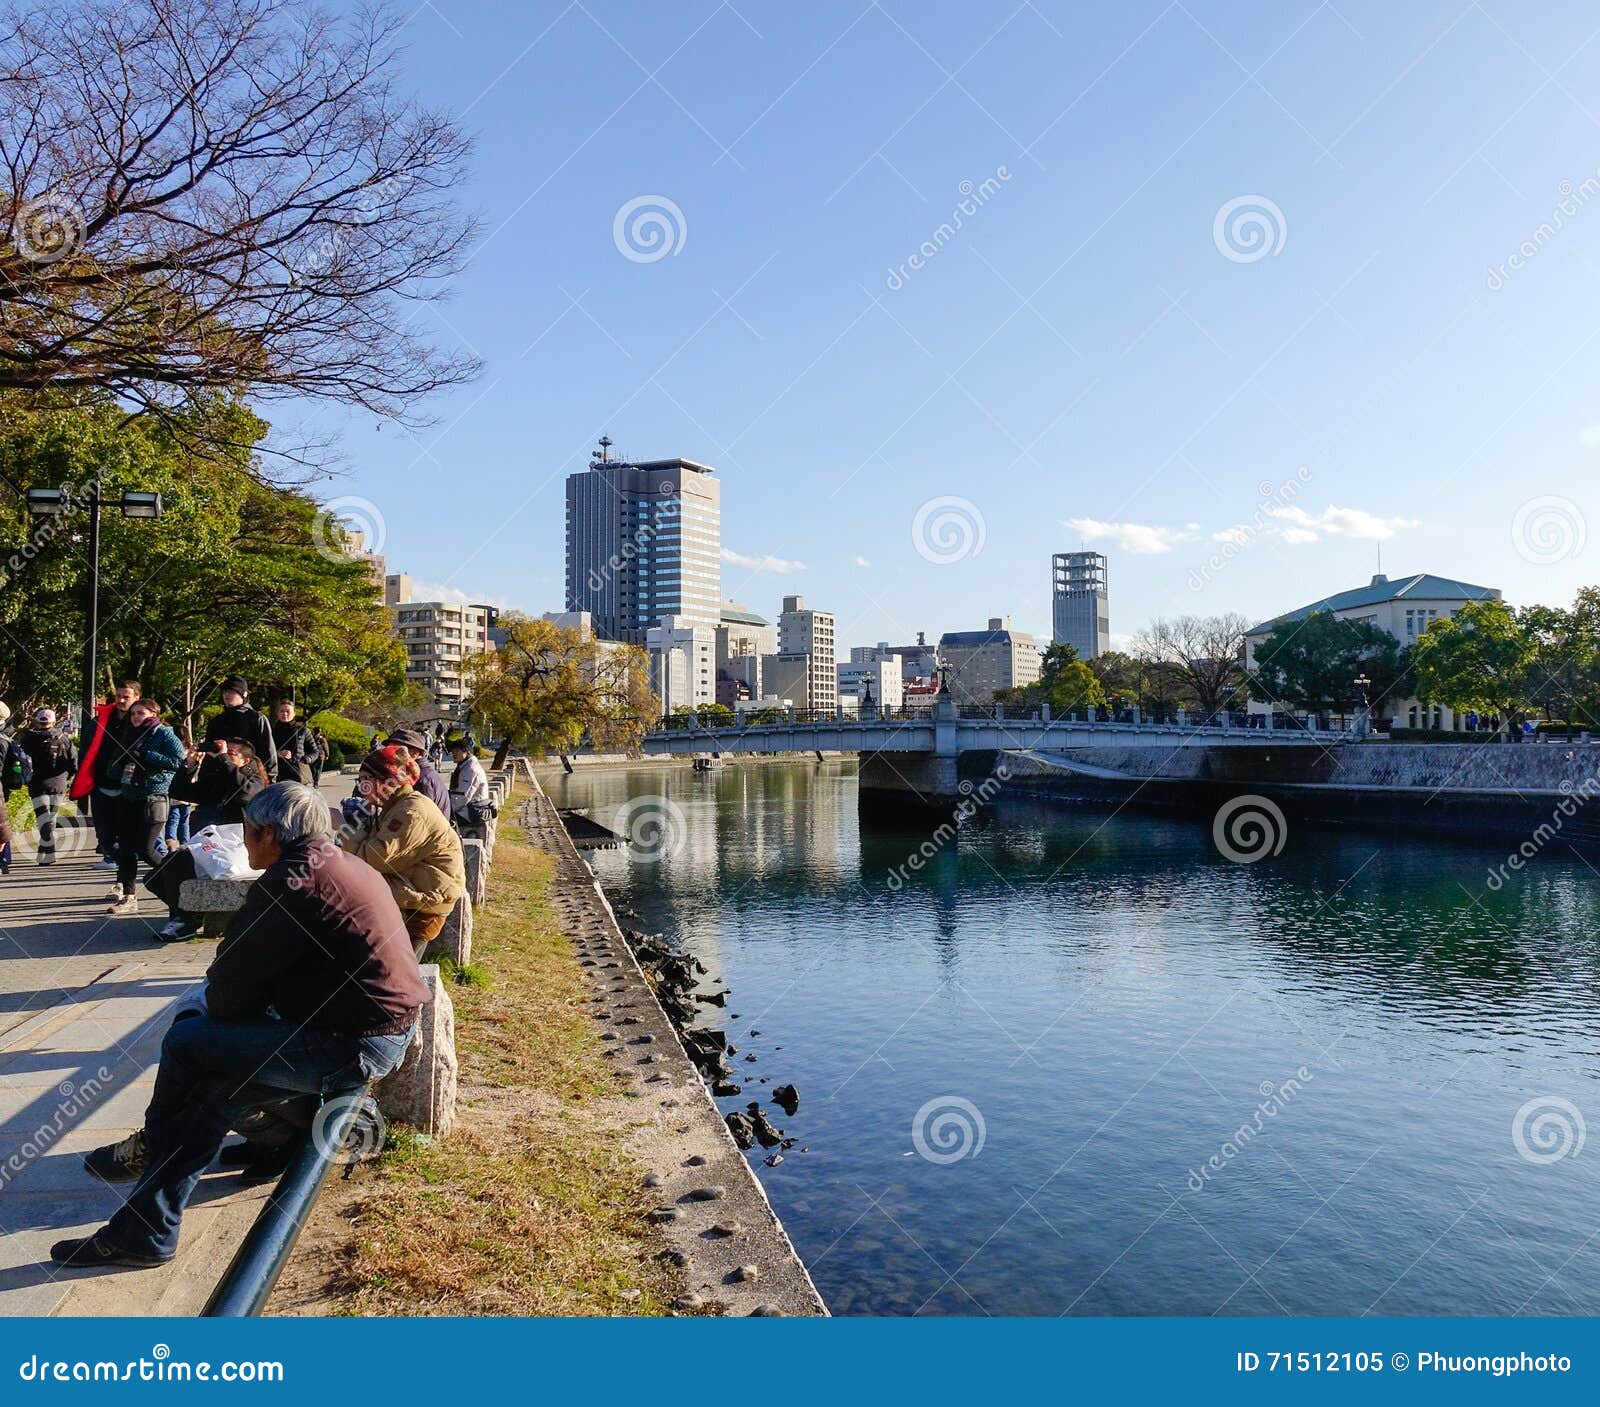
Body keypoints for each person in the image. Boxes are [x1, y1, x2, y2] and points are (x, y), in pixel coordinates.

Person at [56, 784, 425, 1269]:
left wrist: (220, 1015)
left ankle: (152, 1149)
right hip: (376, 1030)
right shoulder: (337, 862)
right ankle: (148, 1230)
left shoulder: (291, 881)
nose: (243, 842)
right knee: (212, 1093)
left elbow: (231, 981)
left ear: (269, 833)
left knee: (188, 1042)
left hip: (353, 1044)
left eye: (246, 831)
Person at [342, 745, 465, 956]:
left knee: (389, 974)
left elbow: (373, 860)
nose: (360, 787)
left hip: (422, 907)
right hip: (414, 892)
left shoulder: (410, 812)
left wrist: (349, 828)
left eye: (364, 780)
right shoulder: (396, 805)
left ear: (384, 781)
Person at [107, 699, 187, 917]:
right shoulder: (129, 735)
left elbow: (178, 760)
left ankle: (178, 879)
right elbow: (112, 765)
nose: (135, 717)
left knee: (145, 847)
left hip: (154, 797)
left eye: (140, 713)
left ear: (154, 713)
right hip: (128, 795)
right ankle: (129, 896)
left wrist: (147, 756)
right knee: (125, 849)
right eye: (133, 713)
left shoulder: (164, 733)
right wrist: (119, 765)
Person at [74, 681, 143, 869]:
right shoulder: (99, 721)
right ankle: (111, 857)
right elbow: (86, 750)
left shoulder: (141, 721)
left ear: (137, 698)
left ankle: (126, 865)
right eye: (118, 696)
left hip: (129, 784)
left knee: (127, 828)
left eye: (126, 697)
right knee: (104, 828)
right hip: (101, 781)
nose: (121, 700)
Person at [14, 707, 77, 865]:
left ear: (38, 721)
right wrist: (67, 777)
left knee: (42, 817)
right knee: (51, 818)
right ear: (53, 721)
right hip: (59, 783)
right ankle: (45, 849)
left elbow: (21, 760)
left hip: (37, 783)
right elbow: (74, 762)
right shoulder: (64, 739)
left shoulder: (28, 739)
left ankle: (48, 851)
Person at [203, 676, 276, 781]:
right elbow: (209, 752)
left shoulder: (256, 718)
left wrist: (270, 781)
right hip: (219, 778)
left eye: (231, 691)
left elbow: (268, 752)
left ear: (243, 694)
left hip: (249, 779)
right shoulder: (217, 720)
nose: (226, 695)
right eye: (224, 691)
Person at [382, 727, 450, 816]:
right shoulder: (415, 774)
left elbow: (420, 819)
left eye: (396, 751)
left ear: (414, 753)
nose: (390, 755)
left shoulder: (421, 780)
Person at [269, 699, 320, 786]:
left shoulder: (303, 731)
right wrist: (277, 754)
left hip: (298, 776)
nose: (285, 714)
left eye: (288, 711)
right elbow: (263, 750)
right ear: (277, 713)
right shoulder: (270, 731)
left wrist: (304, 760)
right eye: (282, 711)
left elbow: (315, 752)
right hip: (276, 775)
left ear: (294, 713)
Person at [447, 735, 492, 830]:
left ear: (467, 752)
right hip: (467, 807)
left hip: (471, 810)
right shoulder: (464, 765)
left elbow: (463, 797)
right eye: (452, 752)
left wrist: (447, 809)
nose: (453, 754)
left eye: (456, 752)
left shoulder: (471, 769)